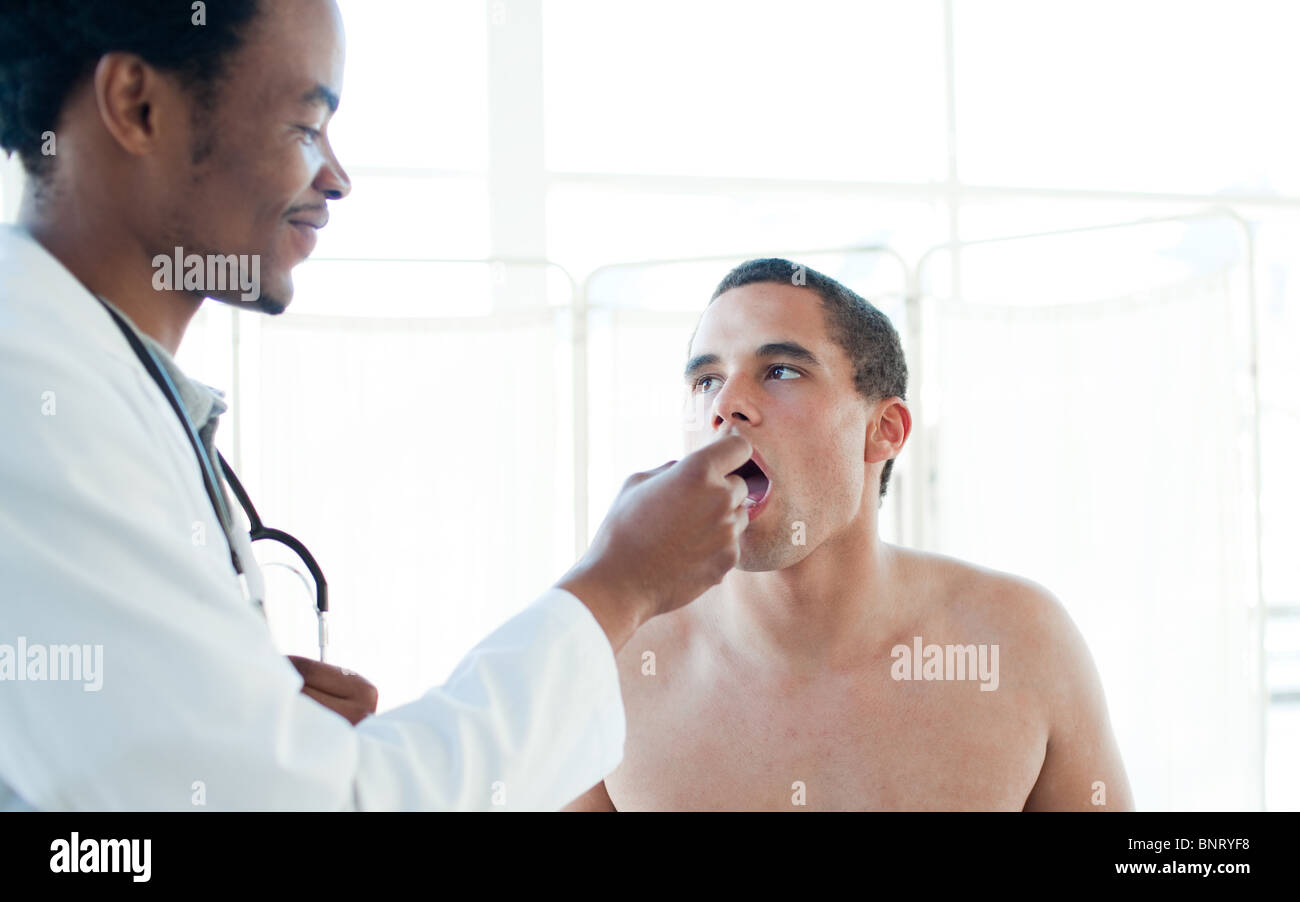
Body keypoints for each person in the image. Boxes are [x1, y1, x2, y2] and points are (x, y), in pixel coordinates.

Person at [0, 0, 754, 810]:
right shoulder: (37, 399)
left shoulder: (97, 379)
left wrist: (246, 716)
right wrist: (618, 586)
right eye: (304, 127)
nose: (335, 177)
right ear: (136, 106)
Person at [564, 259, 1134, 811]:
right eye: (707, 379)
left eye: (780, 370)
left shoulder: (1019, 641)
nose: (724, 406)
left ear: (884, 430)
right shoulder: (613, 664)